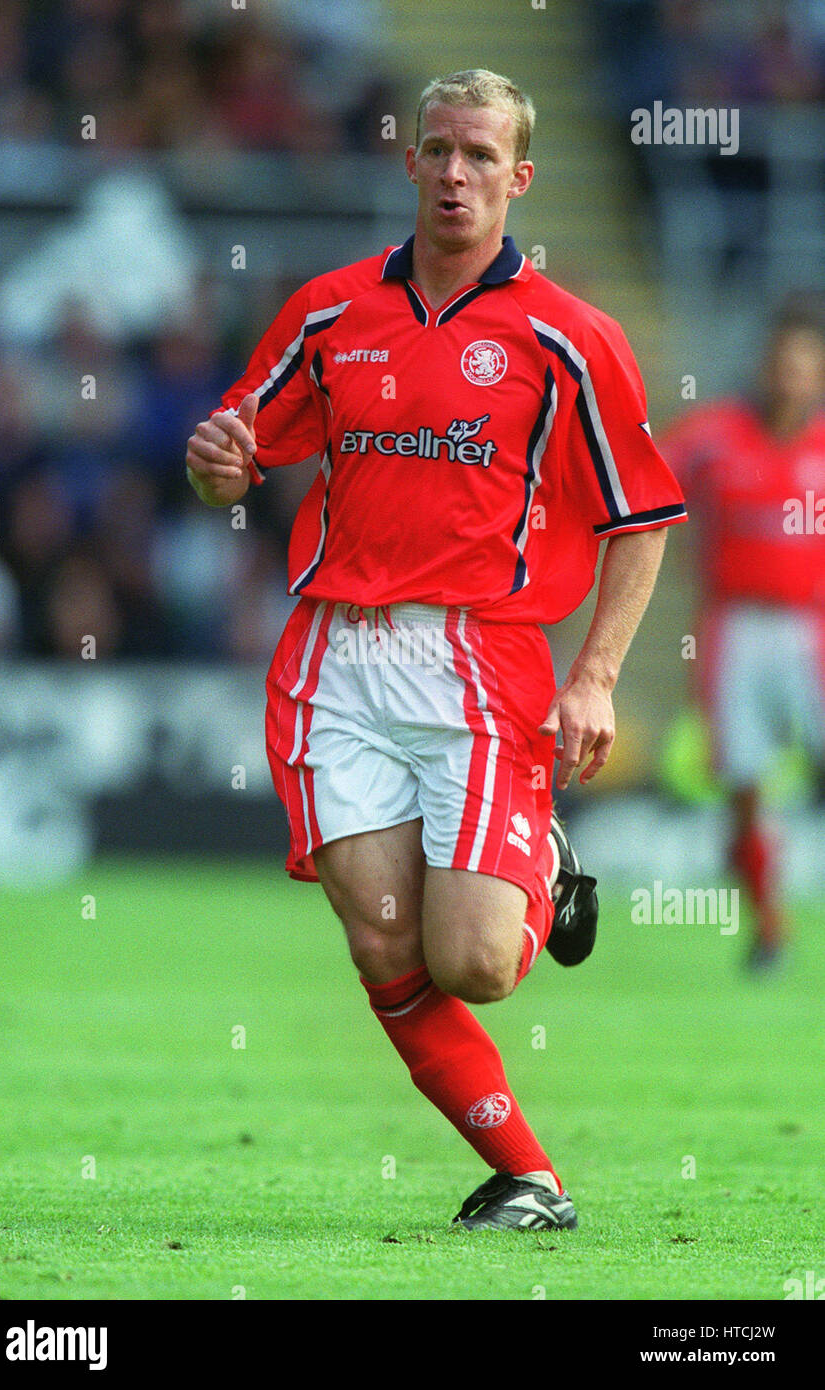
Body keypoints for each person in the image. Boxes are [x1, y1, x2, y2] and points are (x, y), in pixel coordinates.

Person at [185, 69, 686, 1231]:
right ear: (408, 162)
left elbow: (641, 518)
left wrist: (596, 676)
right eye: (437, 151)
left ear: (518, 179)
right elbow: (236, 444)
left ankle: (540, 872)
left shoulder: (569, 338)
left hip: (479, 662)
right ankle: (529, 1176)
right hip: (335, 660)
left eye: (478, 157)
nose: (454, 173)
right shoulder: (327, 310)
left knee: (473, 963)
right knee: (379, 938)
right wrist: (216, 463)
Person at [659, 296, 825, 969]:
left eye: (802, 364)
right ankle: (769, 928)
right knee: (745, 784)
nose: (788, 375)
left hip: (810, 628)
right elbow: (645, 484)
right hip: (732, 628)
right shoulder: (713, 435)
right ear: (762, 364)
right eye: (779, 361)